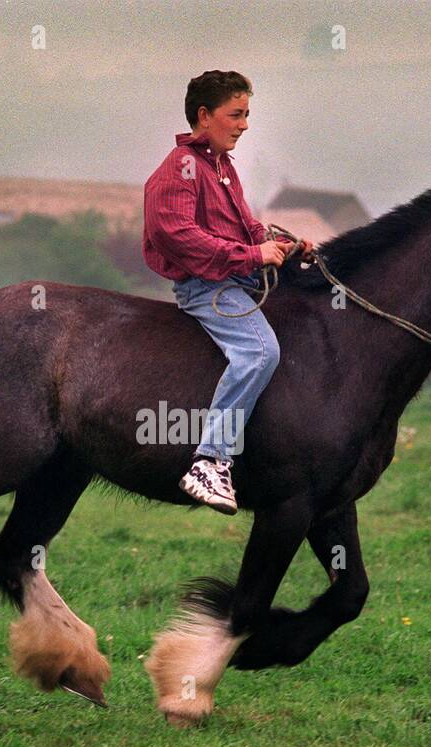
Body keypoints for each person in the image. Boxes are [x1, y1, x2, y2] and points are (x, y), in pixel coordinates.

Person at [142, 70, 313, 515]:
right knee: (259, 353)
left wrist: (285, 247)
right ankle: (210, 459)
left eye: (247, 114)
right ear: (204, 115)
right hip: (206, 287)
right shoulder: (179, 169)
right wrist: (254, 256)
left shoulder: (220, 167)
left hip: (237, 279)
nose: (244, 124)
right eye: (235, 114)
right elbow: (177, 236)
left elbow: (248, 227)